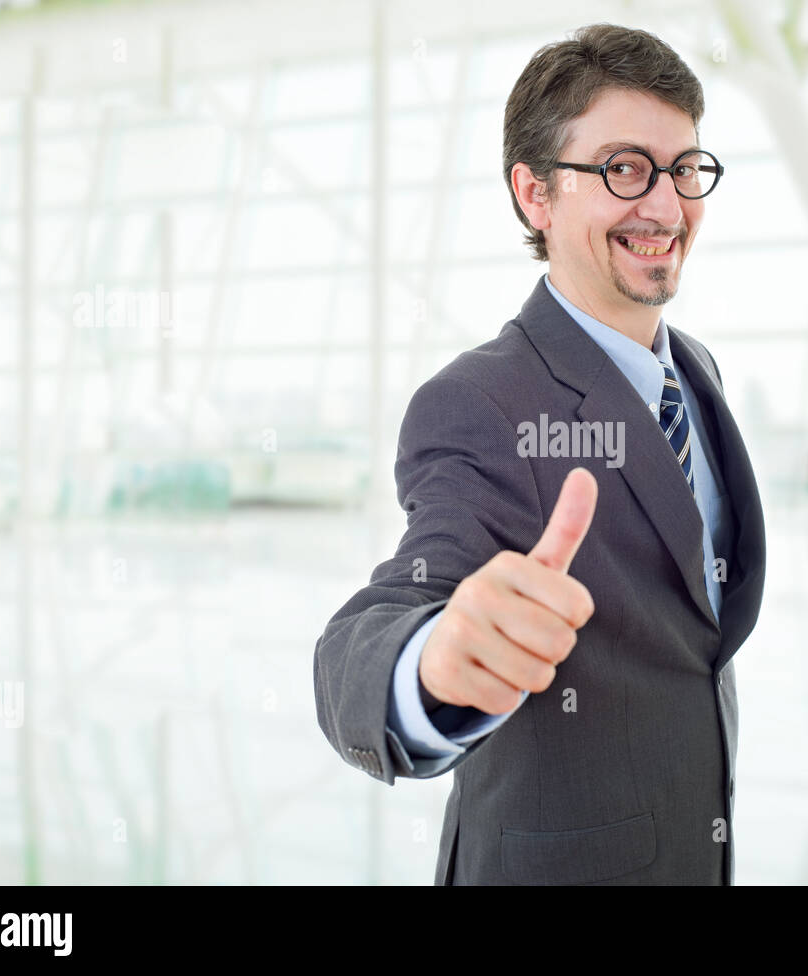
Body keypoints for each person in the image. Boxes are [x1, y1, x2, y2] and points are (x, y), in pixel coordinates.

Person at [313, 22, 765, 885]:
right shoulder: (480, 404)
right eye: (624, 169)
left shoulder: (695, 369)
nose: (666, 206)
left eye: (683, 168)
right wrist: (432, 660)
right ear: (535, 194)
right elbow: (369, 633)